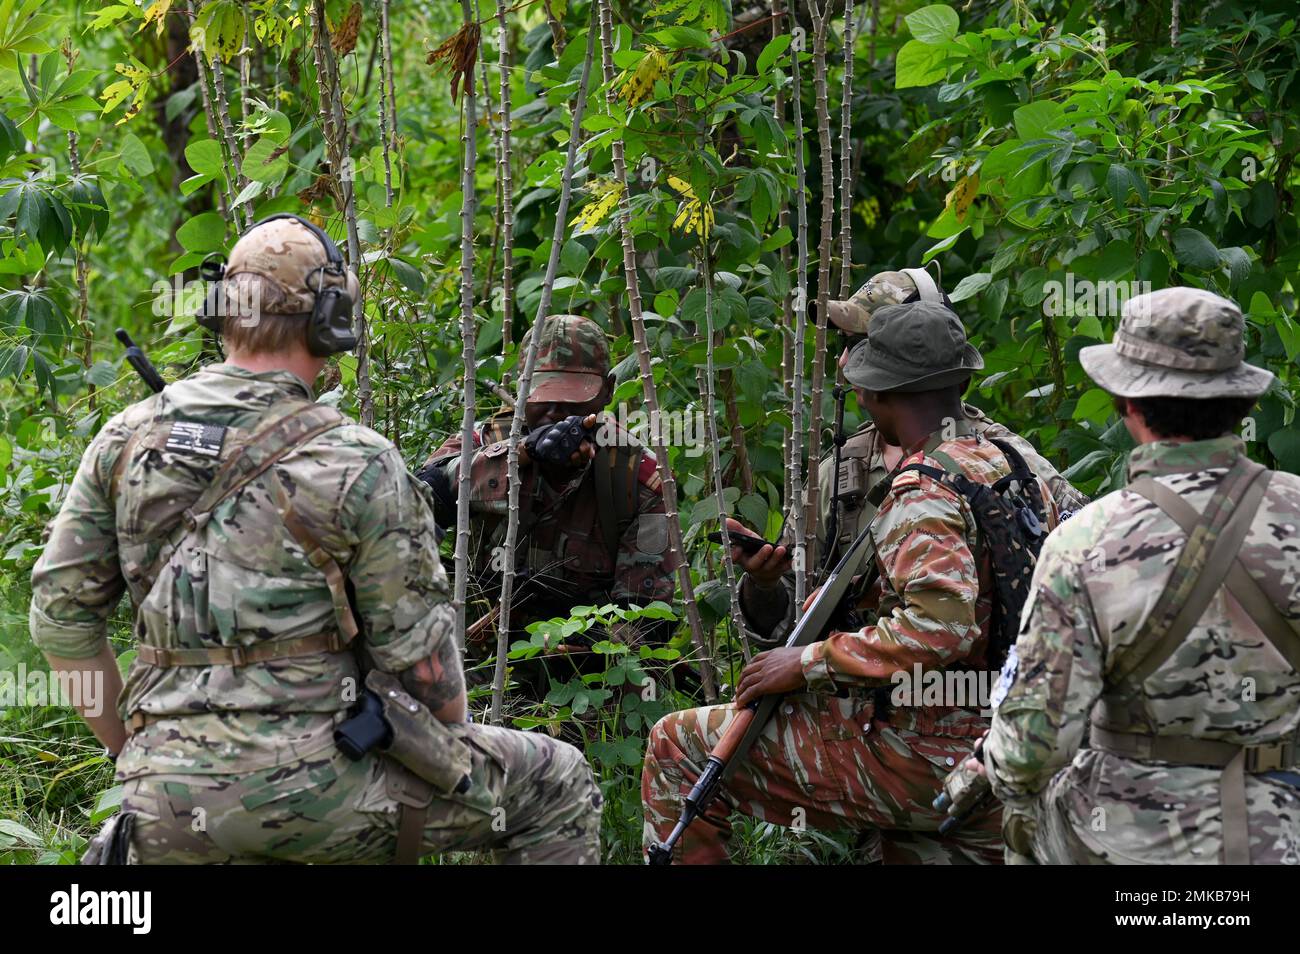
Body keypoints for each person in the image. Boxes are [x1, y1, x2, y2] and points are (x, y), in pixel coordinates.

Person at [31, 215, 600, 864]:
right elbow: (423, 667)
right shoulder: (359, 459)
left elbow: (60, 624)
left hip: (165, 803)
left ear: (224, 311)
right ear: (331, 320)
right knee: (556, 781)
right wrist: (444, 759)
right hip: (323, 793)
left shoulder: (122, 440)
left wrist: (127, 753)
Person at [642, 300, 1059, 864]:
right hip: (1011, 738)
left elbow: (939, 627)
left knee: (677, 744)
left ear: (878, 393)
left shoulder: (924, 489)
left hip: (930, 750)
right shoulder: (1013, 464)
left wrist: (806, 662)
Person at [982, 286, 1300, 864]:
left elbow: (1031, 747)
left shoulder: (1084, 543)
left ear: (1127, 403)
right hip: (1281, 837)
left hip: (1131, 846)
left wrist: (1003, 778)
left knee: (1024, 818)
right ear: (1242, 404)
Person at [731, 268, 1087, 648]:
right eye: (845, 345)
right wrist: (764, 583)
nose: (844, 362)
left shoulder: (1010, 464)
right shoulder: (841, 472)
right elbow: (788, 626)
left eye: (863, 344)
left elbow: (1093, 571)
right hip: (862, 696)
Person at [417, 314, 677, 690]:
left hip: (583, 681)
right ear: (520, 389)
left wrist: (557, 638)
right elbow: (421, 499)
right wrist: (519, 454)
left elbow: (648, 621)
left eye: (573, 398)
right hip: (466, 660)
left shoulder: (635, 477)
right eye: (543, 396)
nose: (556, 411)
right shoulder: (485, 441)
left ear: (607, 392)